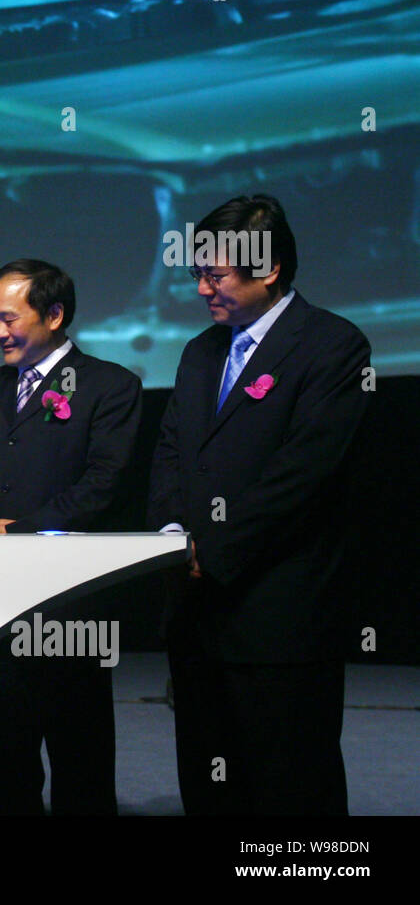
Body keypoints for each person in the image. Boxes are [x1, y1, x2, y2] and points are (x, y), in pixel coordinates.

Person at [148, 195, 370, 815]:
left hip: (279, 615)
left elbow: (303, 476)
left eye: (214, 275)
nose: (200, 289)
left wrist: (213, 550)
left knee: (291, 786)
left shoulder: (333, 346)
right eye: (195, 273)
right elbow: (170, 453)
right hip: (197, 615)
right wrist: (171, 539)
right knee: (208, 778)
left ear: (268, 269)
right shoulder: (200, 352)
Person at [0, 259, 142, 815]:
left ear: (54, 315)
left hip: (72, 604)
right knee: (3, 762)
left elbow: (106, 484)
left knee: (81, 758)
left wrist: (19, 532)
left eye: (8, 318)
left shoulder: (111, 385)